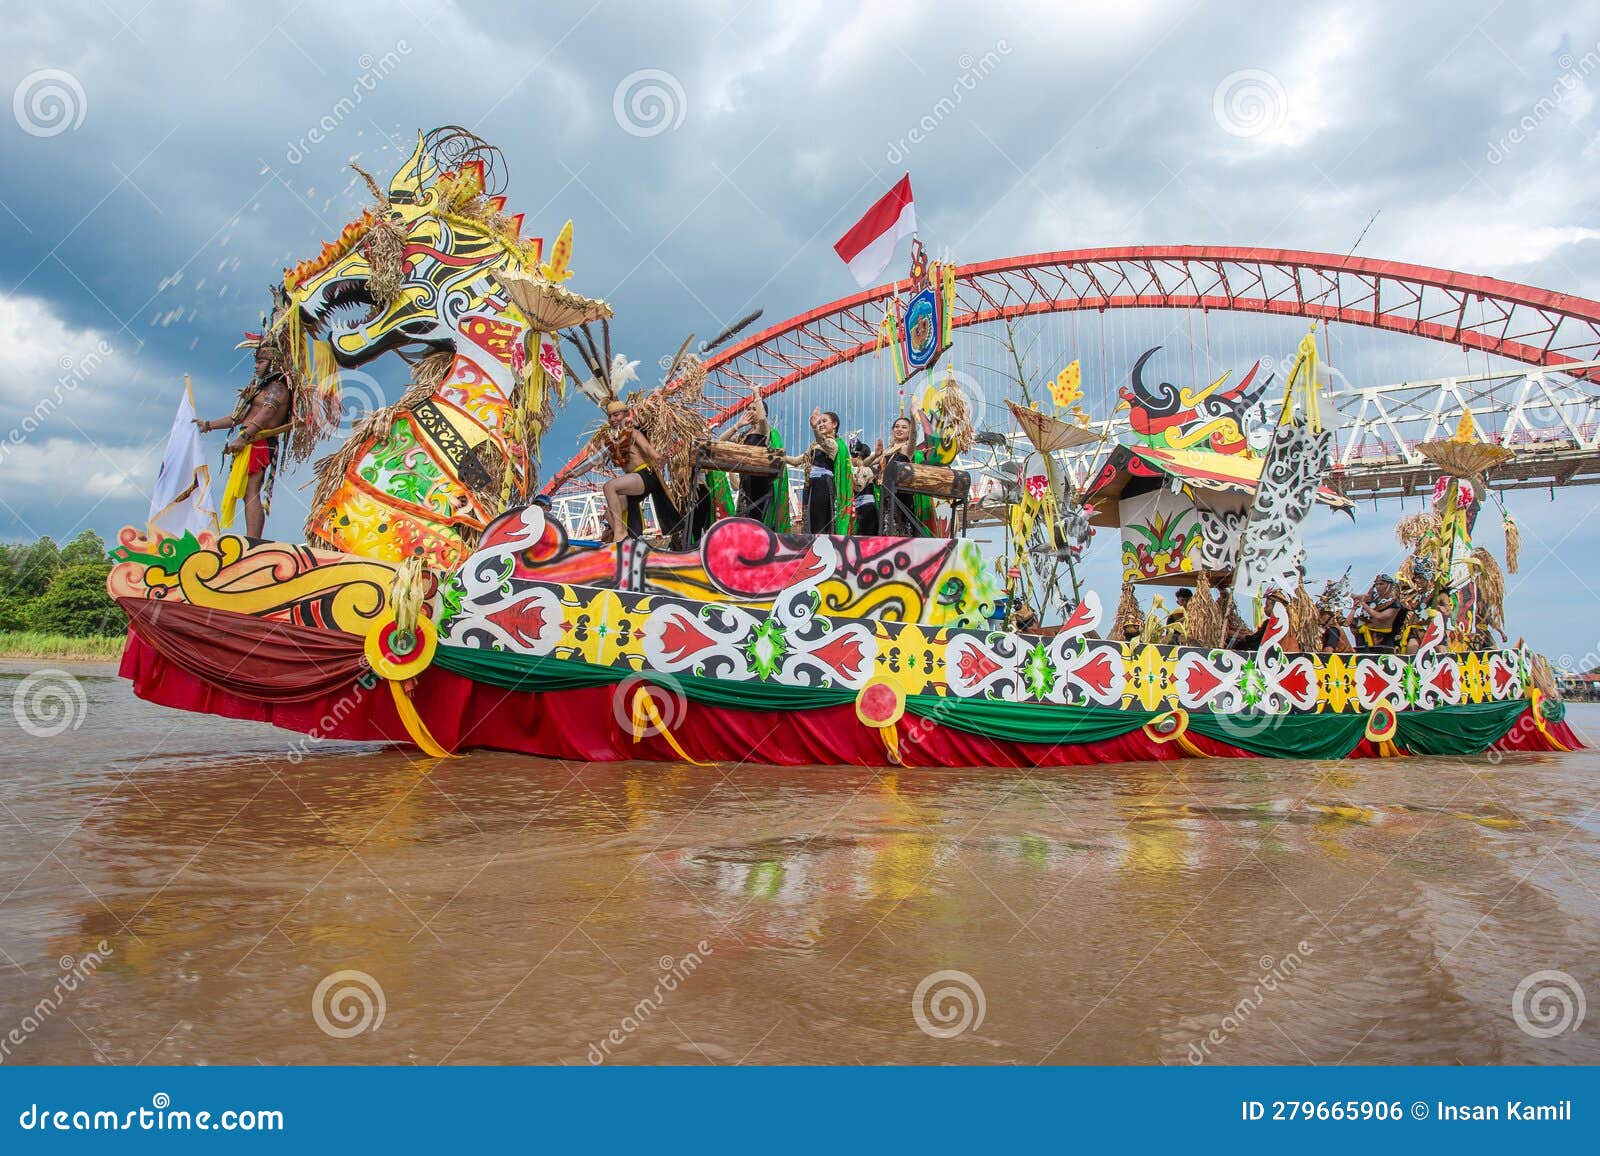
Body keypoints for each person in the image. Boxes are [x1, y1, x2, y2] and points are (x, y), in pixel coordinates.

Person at [197, 335, 292, 539]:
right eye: (256, 362)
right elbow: (238, 417)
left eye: (261, 362)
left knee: (251, 491)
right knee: (247, 492)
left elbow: (266, 414)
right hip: (251, 441)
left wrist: (244, 437)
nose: (256, 366)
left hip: (260, 442)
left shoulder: (278, 386)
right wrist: (208, 425)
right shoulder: (262, 388)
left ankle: (253, 541)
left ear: (273, 362)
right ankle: (252, 539)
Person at [599, 401, 680, 545]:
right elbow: (593, 460)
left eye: (616, 415)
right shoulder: (614, 441)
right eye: (610, 416)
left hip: (646, 475)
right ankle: (631, 539)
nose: (612, 419)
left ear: (626, 415)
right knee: (608, 513)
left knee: (609, 487)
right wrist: (573, 473)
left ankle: (620, 533)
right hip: (635, 479)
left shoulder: (634, 433)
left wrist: (660, 458)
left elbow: (649, 450)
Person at [785, 408, 850, 534]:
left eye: (824, 421)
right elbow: (795, 461)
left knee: (820, 520)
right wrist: (778, 455)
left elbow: (823, 441)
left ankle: (821, 550)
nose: (820, 424)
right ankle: (812, 549)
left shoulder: (834, 444)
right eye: (818, 422)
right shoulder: (814, 446)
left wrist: (814, 427)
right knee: (810, 519)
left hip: (823, 485)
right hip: (811, 485)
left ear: (834, 424)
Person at [733, 396, 785, 528]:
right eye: (748, 409)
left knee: (756, 520)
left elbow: (762, 419)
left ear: (763, 412)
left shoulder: (764, 430)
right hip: (745, 480)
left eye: (754, 409)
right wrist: (738, 425)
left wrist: (757, 394)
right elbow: (721, 440)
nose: (750, 411)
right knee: (743, 520)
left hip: (760, 480)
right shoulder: (743, 434)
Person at [878, 414, 923, 536]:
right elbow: (866, 464)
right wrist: (874, 455)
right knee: (884, 529)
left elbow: (914, 437)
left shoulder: (907, 448)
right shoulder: (887, 451)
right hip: (884, 495)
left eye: (904, 427)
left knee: (900, 529)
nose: (899, 429)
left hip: (900, 495)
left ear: (909, 431)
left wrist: (913, 417)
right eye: (896, 427)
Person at [1350, 573, 1408, 650]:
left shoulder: (1394, 603)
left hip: (1383, 637)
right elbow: (1355, 596)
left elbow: (1380, 617)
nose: (1378, 587)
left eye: (1381, 584)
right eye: (1376, 584)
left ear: (1390, 585)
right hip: (1364, 635)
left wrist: (1364, 604)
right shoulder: (1373, 596)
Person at [849, 440, 881, 535]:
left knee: (866, 538)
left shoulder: (865, 469)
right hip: (862, 508)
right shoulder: (865, 469)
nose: (851, 460)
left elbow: (859, 486)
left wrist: (850, 476)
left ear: (858, 457)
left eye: (852, 457)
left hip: (867, 509)